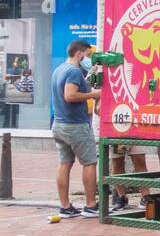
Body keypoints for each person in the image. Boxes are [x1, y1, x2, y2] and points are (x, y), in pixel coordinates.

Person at [51, 39, 101, 218]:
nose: (88, 59)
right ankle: (91, 206)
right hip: (75, 125)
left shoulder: (59, 70)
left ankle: (65, 207)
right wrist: (93, 94)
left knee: (65, 163)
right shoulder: (73, 71)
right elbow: (70, 95)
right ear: (79, 53)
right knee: (89, 162)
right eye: (87, 55)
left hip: (59, 124)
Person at [110, 145, 148, 212]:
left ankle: (146, 197)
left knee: (140, 161)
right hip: (117, 136)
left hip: (136, 136)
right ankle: (122, 197)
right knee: (117, 164)